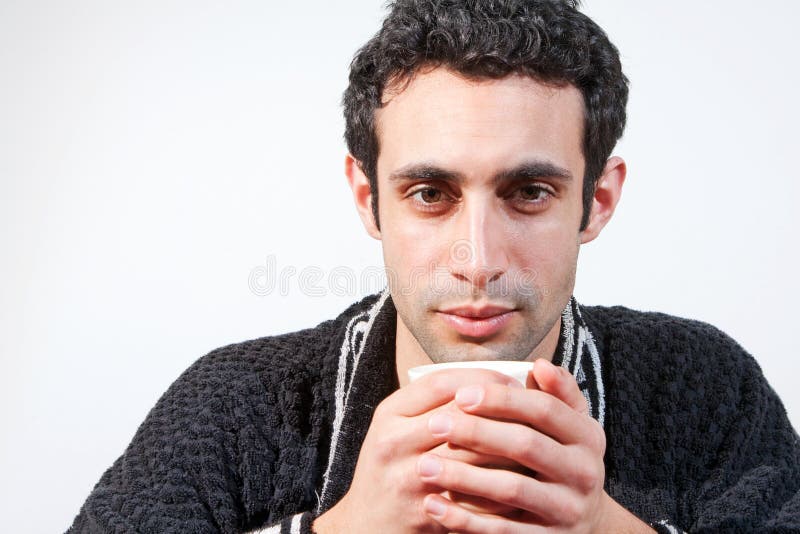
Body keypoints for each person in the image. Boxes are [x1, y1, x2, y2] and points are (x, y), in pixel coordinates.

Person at [68, 0, 800, 532]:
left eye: (530, 193)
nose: (477, 260)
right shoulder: (237, 409)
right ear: (368, 198)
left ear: (597, 200)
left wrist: (608, 529)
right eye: (430, 193)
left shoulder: (701, 389)